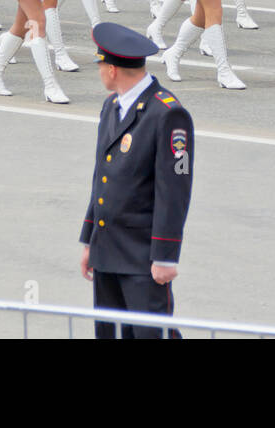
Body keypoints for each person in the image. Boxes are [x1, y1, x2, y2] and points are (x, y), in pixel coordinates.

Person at [79, 22, 193, 339]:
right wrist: (90, 239)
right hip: (108, 251)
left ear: (112, 70)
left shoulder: (167, 114)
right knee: (110, 334)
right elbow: (103, 178)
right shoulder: (111, 107)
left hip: (142, 257)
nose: (100, 71)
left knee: (149, 335)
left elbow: (174, 190)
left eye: (101, 64)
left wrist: (166, 255)